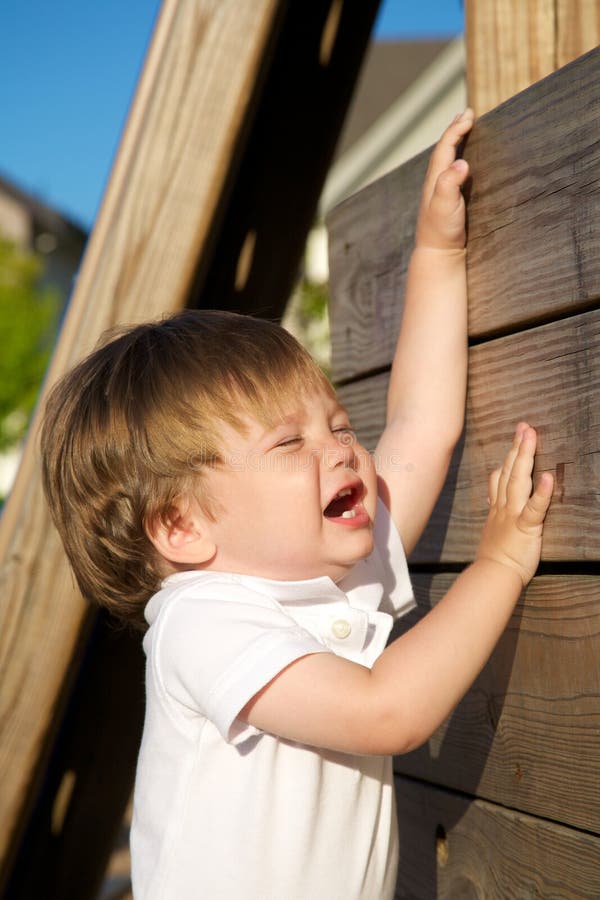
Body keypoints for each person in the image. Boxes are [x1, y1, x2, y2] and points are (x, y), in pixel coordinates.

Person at [40, 109, 553, 900]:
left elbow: (421, 427)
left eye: (339, 425)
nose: (341, 449)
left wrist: (438, 253)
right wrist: (501, 562)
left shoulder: (331, 571)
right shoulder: (201, 621)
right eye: (290, 445)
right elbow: (389, 714)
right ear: (182, 525)